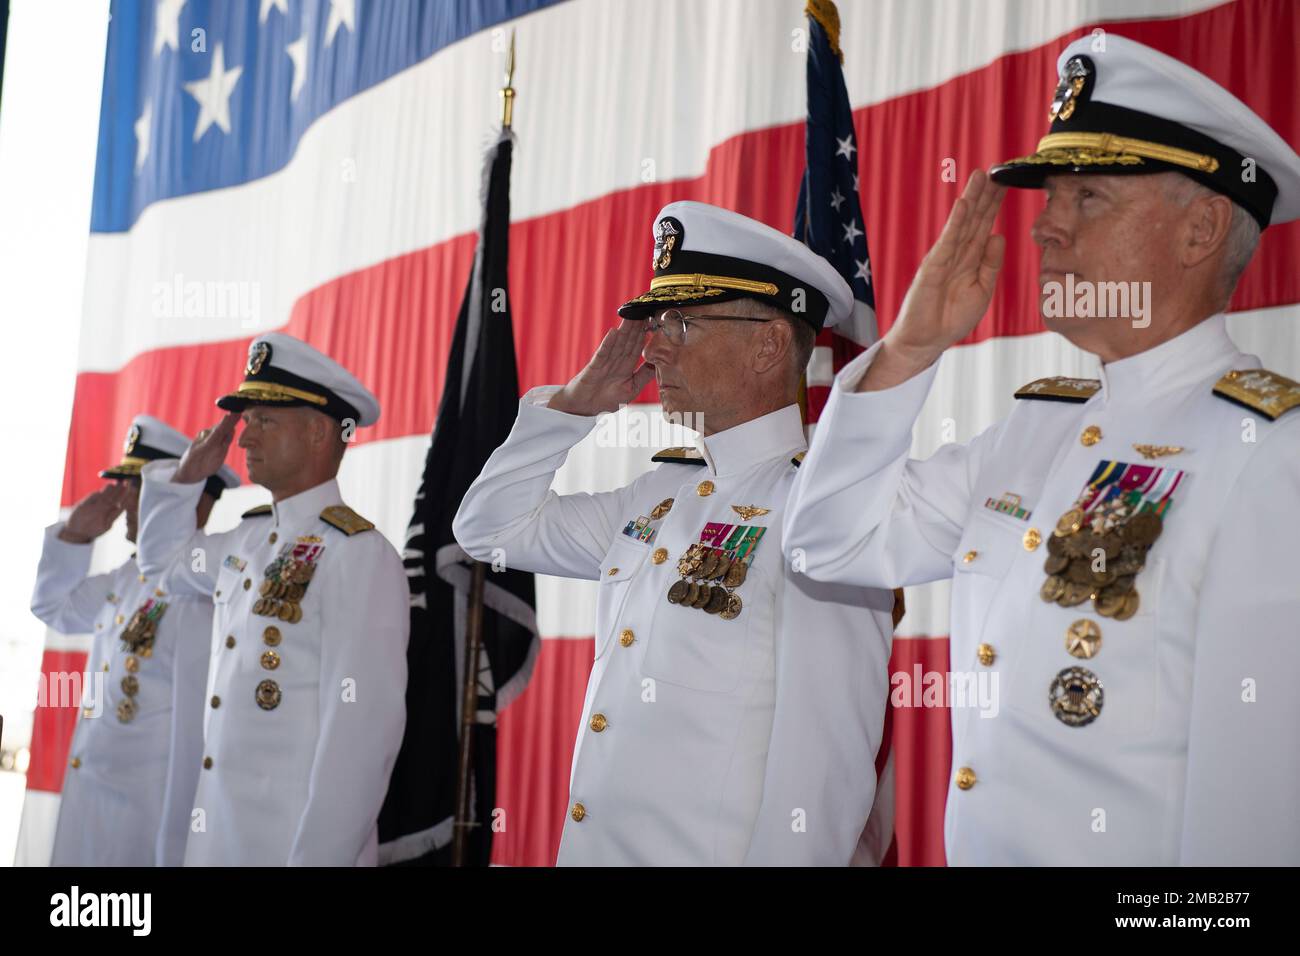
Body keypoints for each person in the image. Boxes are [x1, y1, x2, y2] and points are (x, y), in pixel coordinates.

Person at [784, 35, 1300, 864]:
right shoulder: (1037, 432)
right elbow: (827, 541)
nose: (1044, 229)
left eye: (1088, 197)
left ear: (1202, 228)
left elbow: (1249, 832)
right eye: (1050, 197)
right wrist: (909, 352)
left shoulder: (1270, 456)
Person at [454, 201, 896, 865]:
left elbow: (821, 776)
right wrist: (574, 408)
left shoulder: (819, 512)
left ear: (769, 344)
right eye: (657, 323)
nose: (652, 347)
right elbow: (489, 529)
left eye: (680, 323)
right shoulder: (658, 495)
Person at [135, 332, 409, 866]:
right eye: (247, 422)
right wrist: (186, 478)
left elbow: (360, 741)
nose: (243, 439)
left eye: (264, 420)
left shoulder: (359, 555)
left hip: (287, 851)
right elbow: (161, 566)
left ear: (316, 431)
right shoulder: (247, 538)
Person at [32, 415, 239, 866]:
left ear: (186, 498)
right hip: (91, 806)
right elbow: (55, 609)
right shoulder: (127, 578)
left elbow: (194, 739)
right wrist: (74, 536)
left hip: (144, 827)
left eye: (138, 486)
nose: (125, 501)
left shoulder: (201, 593)